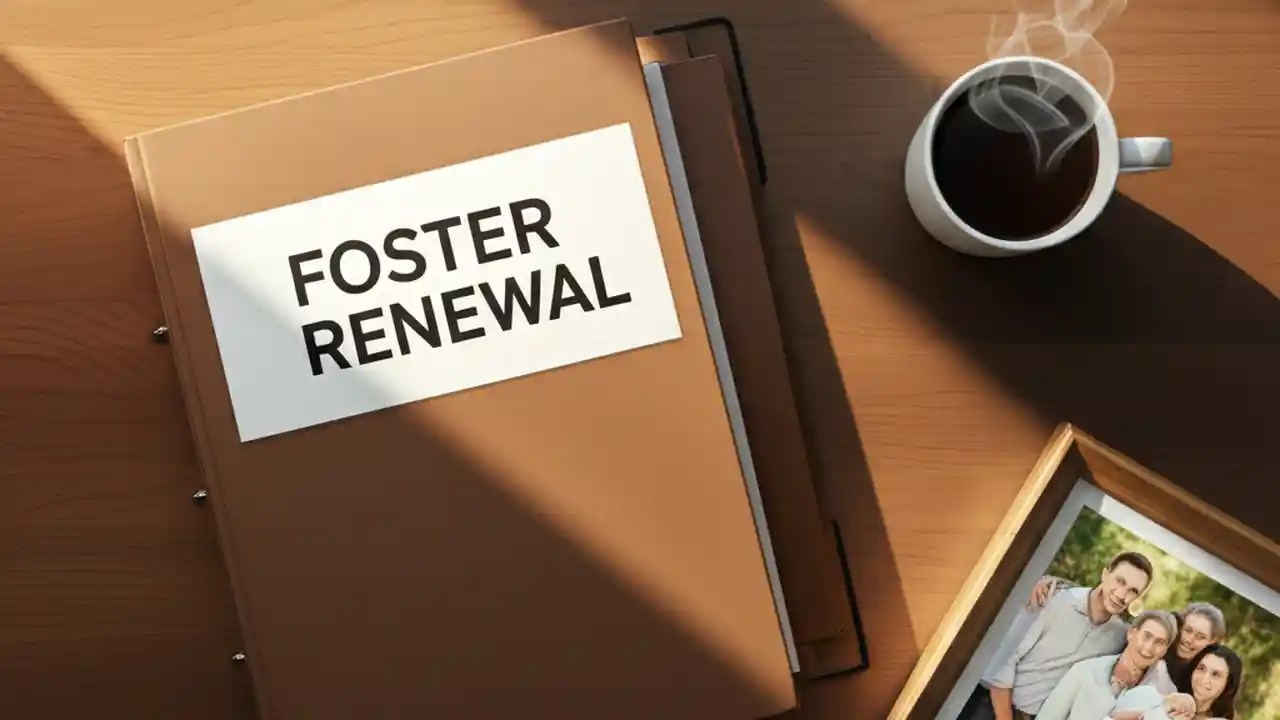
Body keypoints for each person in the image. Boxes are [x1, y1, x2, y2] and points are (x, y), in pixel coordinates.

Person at [961, 551, 1155, 720]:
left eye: (1133, 591)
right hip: (991, 708)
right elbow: (1003, 662)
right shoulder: (1053, 598)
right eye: (1120, 581)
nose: (1122, 594)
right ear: (1105, 574)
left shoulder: (1120, 636)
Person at [1026, 582, 1227, 695]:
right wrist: (1058, 584)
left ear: (1213, 641)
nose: (1189, 640)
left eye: (1200, 637)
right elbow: (1107, 608)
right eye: (1188, 630)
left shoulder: (1204, 675)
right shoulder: (1159, 636)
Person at [1035, 609, 1178, 720]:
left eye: (1159, 642)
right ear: (1132, 634)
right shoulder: (1085, 671)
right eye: (1146, 636)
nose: (1148, 648)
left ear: (1164, 651)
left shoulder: (1162, 696)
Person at [1175, 644, 1243, 720]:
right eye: (1201, 668)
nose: (1204, 680)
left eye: (1216, 674)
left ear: (1228, 684)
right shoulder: (1170, 698)